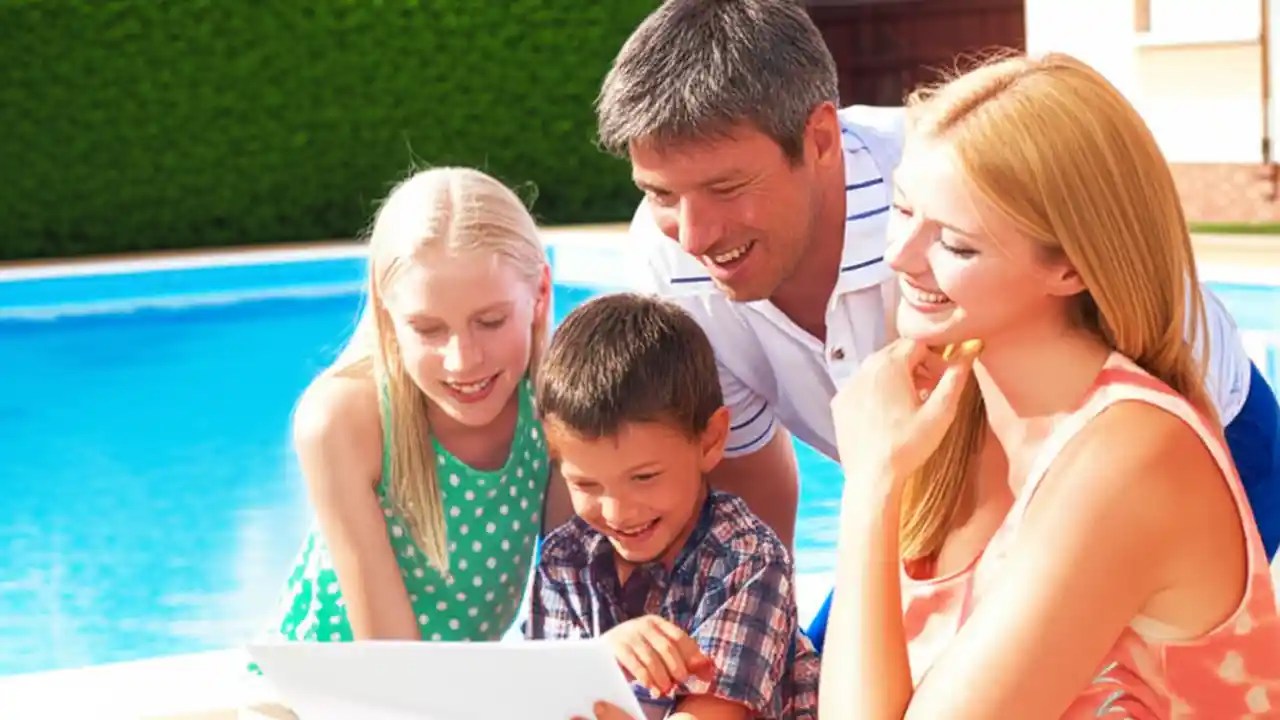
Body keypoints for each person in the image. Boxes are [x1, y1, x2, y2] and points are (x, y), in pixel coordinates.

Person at [599, 0, 1280, 652]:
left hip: (1203, 441)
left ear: (820, 139)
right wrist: (745, 657)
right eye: (660, 193)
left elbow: (1150, 374)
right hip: (935, 502)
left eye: (726, 188)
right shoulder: (666, 257)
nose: (693, 235)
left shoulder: (954, 180)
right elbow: (749, 476)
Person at [815, 51, 1280, 717]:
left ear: (1070, 267)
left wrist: (871, 480)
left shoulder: (1130, 458)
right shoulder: (955, 414)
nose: (900, 256)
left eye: (956, 244)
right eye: (902, 209)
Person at [258, 167, 570, 647]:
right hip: (328, 683)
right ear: (388, 314)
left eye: (490, 321)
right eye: (428, 329)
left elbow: (574, 605)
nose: (462, 360)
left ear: (540, 294)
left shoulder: (559, 412)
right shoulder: (344, 420)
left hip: (450, 685)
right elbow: (391, 658)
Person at [526, 292, 819, 720]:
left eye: (644, 477)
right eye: (585, 483)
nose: (617, 513)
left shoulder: (748, 560)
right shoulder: (564, 559)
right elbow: (542, 700)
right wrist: (598, 658)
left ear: (710, 441)